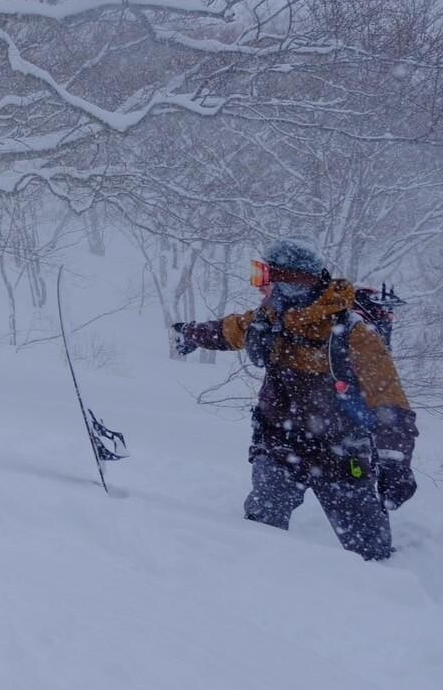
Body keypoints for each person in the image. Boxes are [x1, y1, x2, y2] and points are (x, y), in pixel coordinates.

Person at [170, 239, 418, 561]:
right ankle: (259, 592)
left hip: (342, 454)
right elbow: (230, 330)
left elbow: (390, 402)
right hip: (279, 445)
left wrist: (395, 462)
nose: (260, 288)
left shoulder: (354, 334)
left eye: (265, 278)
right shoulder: (271, 318)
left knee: (370, 553)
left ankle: (385, 601)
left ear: (292, 284)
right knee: (260, 530)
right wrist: (190, 334)